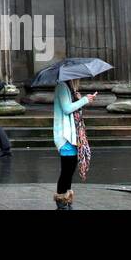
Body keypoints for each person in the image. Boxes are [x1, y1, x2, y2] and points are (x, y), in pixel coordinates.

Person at [52, 78, 96, 209]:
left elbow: (75, 113)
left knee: (70, 170)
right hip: (65, 136)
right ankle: (61, 199)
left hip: (73, 135)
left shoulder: (70, 89)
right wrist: (84, 100)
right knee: (66, 170)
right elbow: (66, 109)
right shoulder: (61, 87)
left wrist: (80, 99)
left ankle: (66, 197)